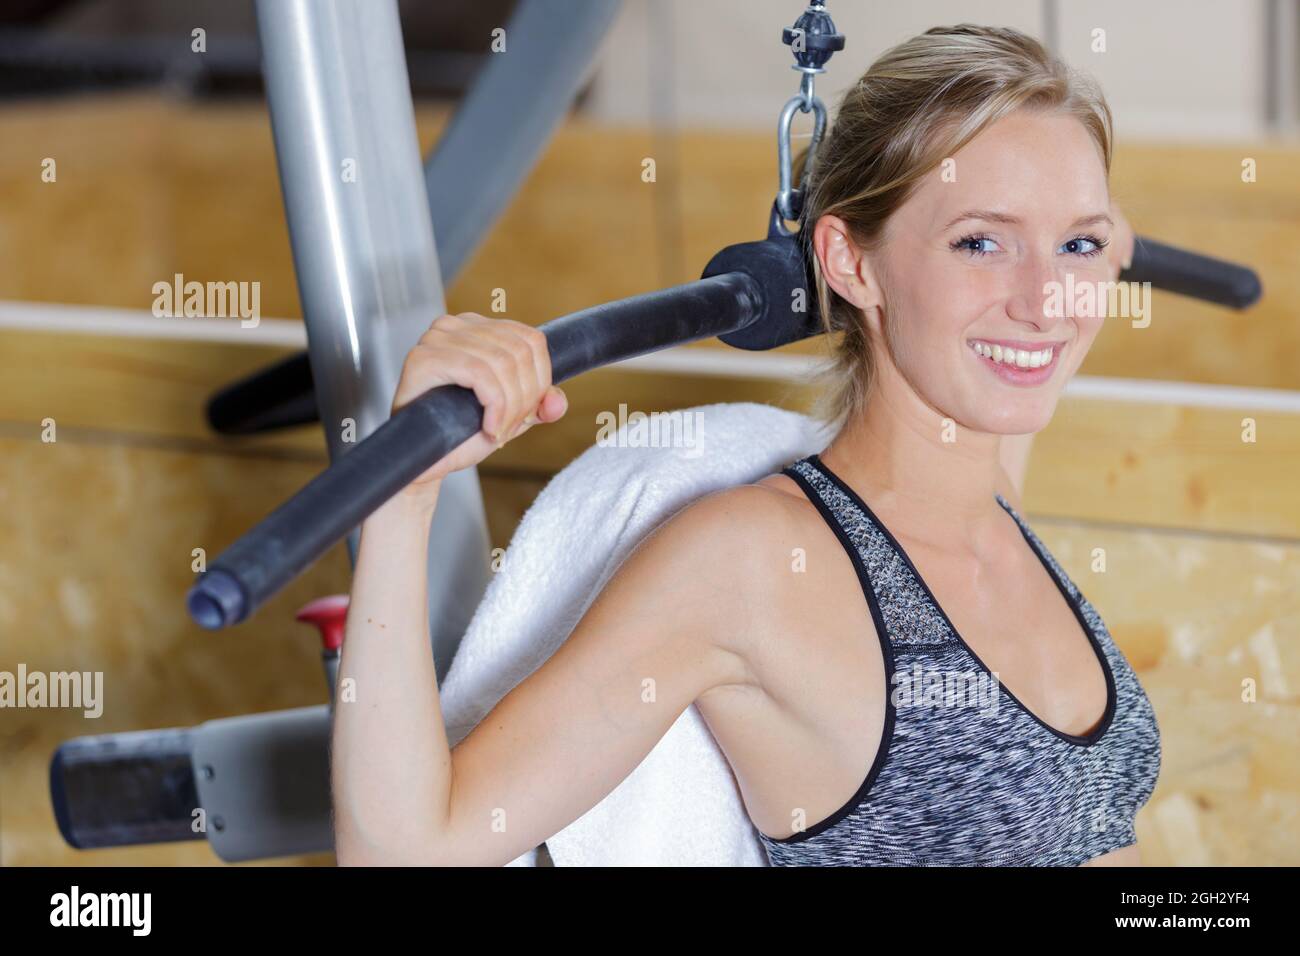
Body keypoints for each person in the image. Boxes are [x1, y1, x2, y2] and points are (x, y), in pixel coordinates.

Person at [330, 23, 1160, 867]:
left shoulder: (991, 512)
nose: (1048, 301)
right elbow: (406, 853)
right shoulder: (748, 563)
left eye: (1078, 244)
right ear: (849, 262)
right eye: (980, 242)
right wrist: (403, 492)